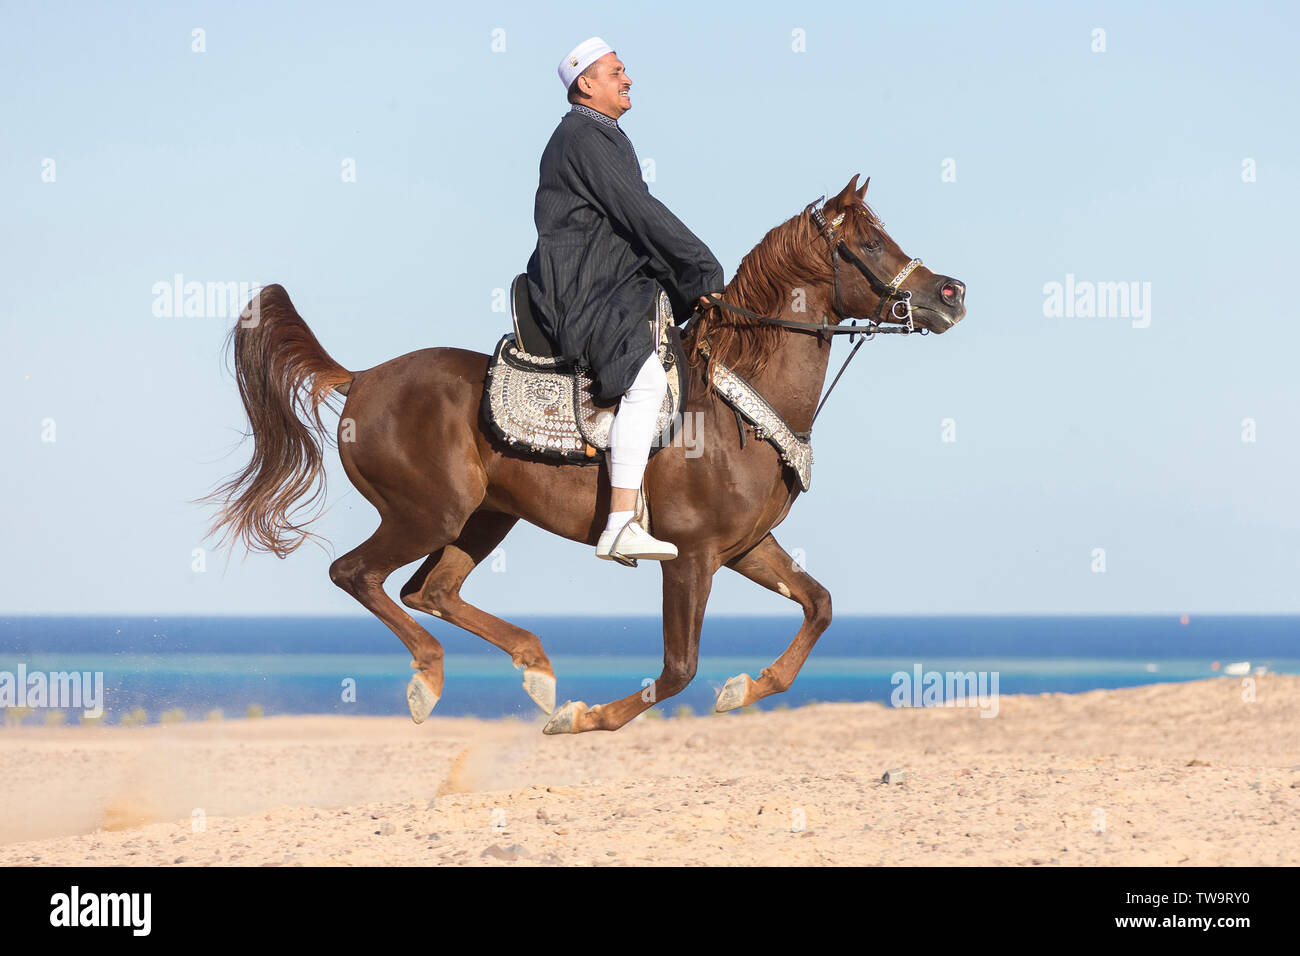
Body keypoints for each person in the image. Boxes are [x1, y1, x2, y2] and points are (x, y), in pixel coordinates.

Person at [526, 36, 725, 564]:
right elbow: (639, 211)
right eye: (616, 72)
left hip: (611, 283)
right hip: (584, 291)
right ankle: (619, 524)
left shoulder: (603, 134)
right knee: (647, 381)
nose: (628, 78)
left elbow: (631, 226)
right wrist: (702, 267)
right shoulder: (584, 136)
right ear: (585, 85)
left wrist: (690, 286)